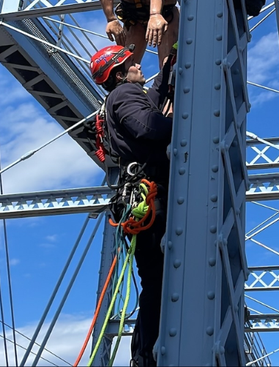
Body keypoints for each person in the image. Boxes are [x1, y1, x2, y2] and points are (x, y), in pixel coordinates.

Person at [90, 45, 172, 367]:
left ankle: (143, 357)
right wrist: (185, 126)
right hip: (153, 198)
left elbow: (149, 102)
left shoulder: (121, 97)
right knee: (158, 282)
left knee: (154, 282)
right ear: (120, 74)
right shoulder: (125, 93)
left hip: (141, 202)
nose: (139, 64)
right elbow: (148, 126)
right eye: (131, 62)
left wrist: (169, 67)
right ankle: (145, 357)